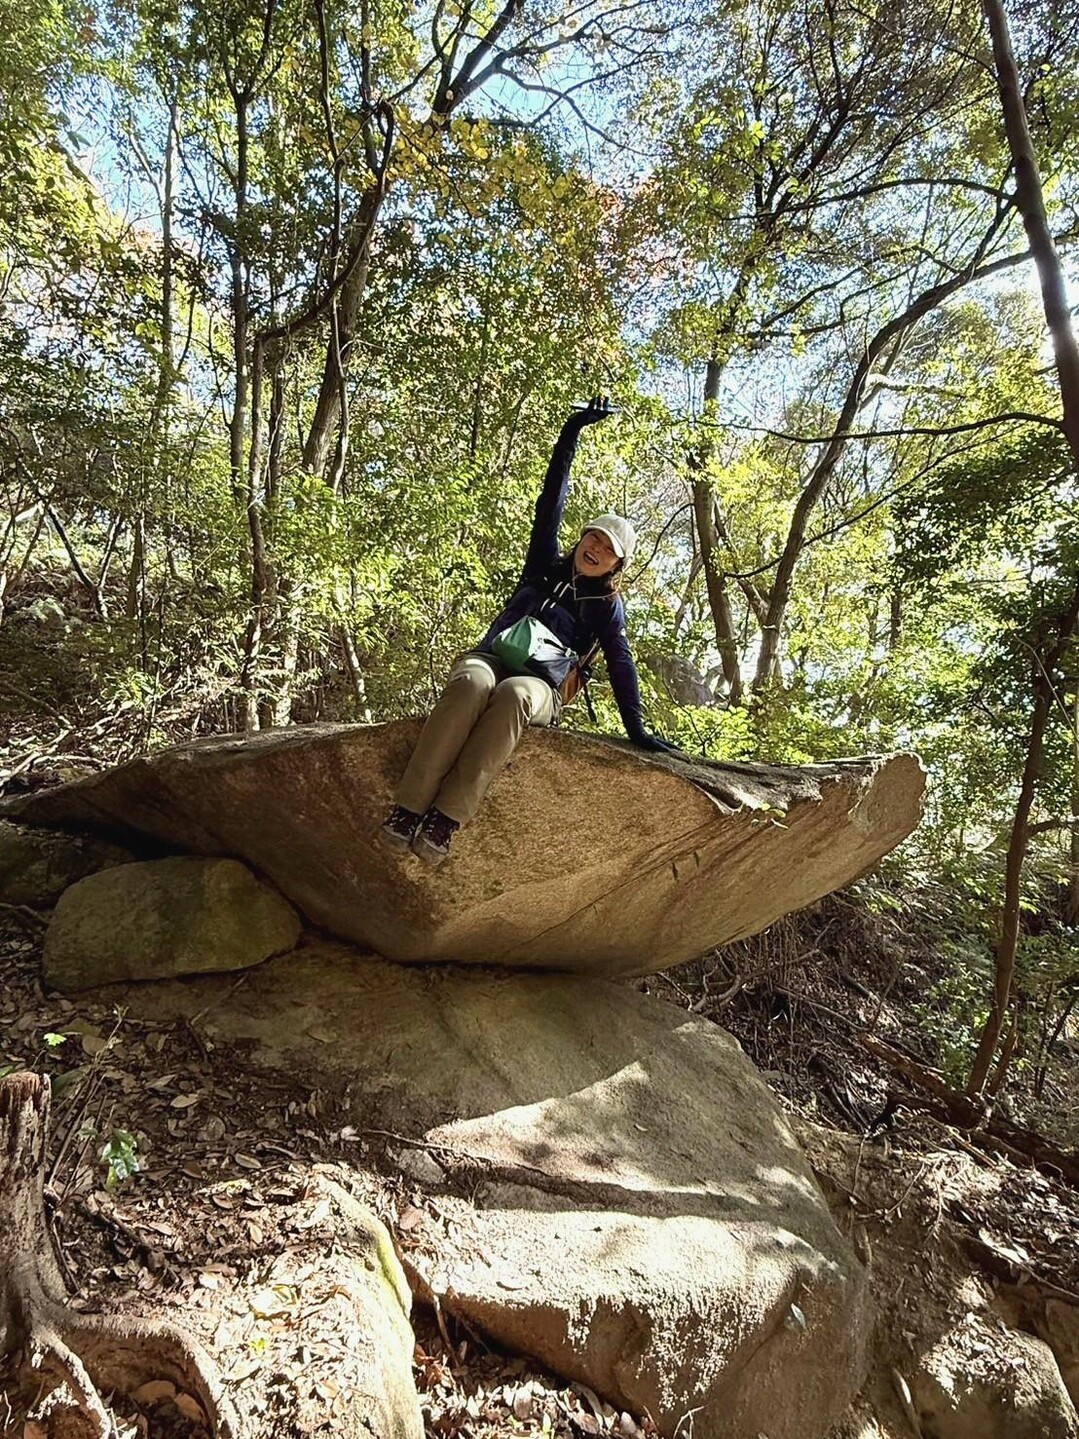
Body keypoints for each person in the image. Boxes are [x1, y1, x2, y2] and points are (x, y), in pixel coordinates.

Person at [381, 396, 674, 865]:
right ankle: (408, 808)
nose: (596, 547)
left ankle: (445, 820)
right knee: (472, 682)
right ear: (581, 539)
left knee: (514, 695)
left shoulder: (606, 608)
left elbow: (621, 664)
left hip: (543, 686)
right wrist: (572, 430)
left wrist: (637, 729)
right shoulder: (544, 566)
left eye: (608, 548)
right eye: (592, 537)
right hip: (493, 656)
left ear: (618, 563)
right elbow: (550, 497)